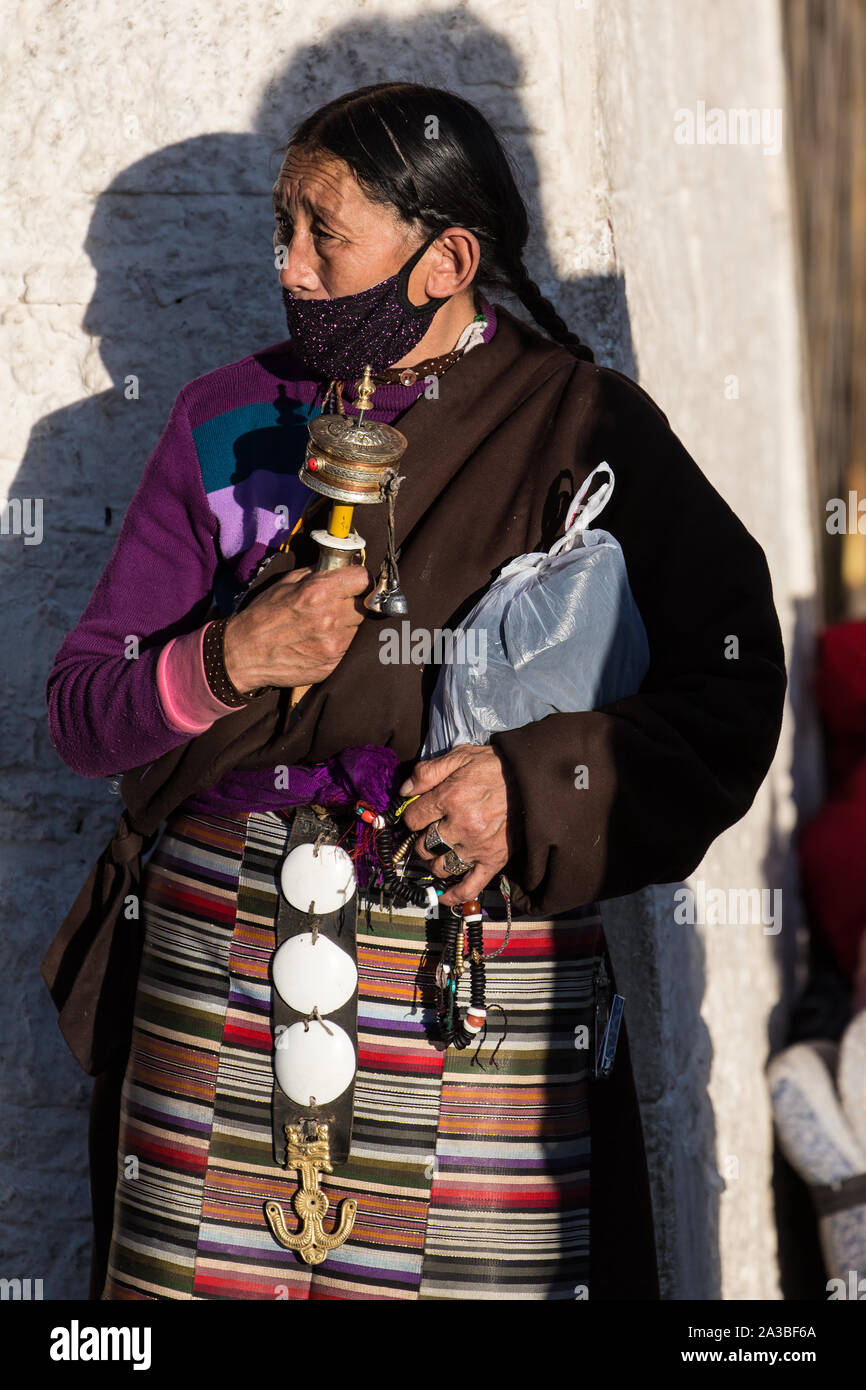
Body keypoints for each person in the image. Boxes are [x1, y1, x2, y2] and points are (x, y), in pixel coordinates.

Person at [43, 81, 787, 1301]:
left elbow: (730, 685)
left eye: (321, 233)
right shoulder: (227, 420)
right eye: (278, 228)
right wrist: (227, 657)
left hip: (469, 992)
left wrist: (532, 790)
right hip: (216, 976)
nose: (286, 265)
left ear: (444, 261)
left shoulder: (579, 427)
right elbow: (82, 713)